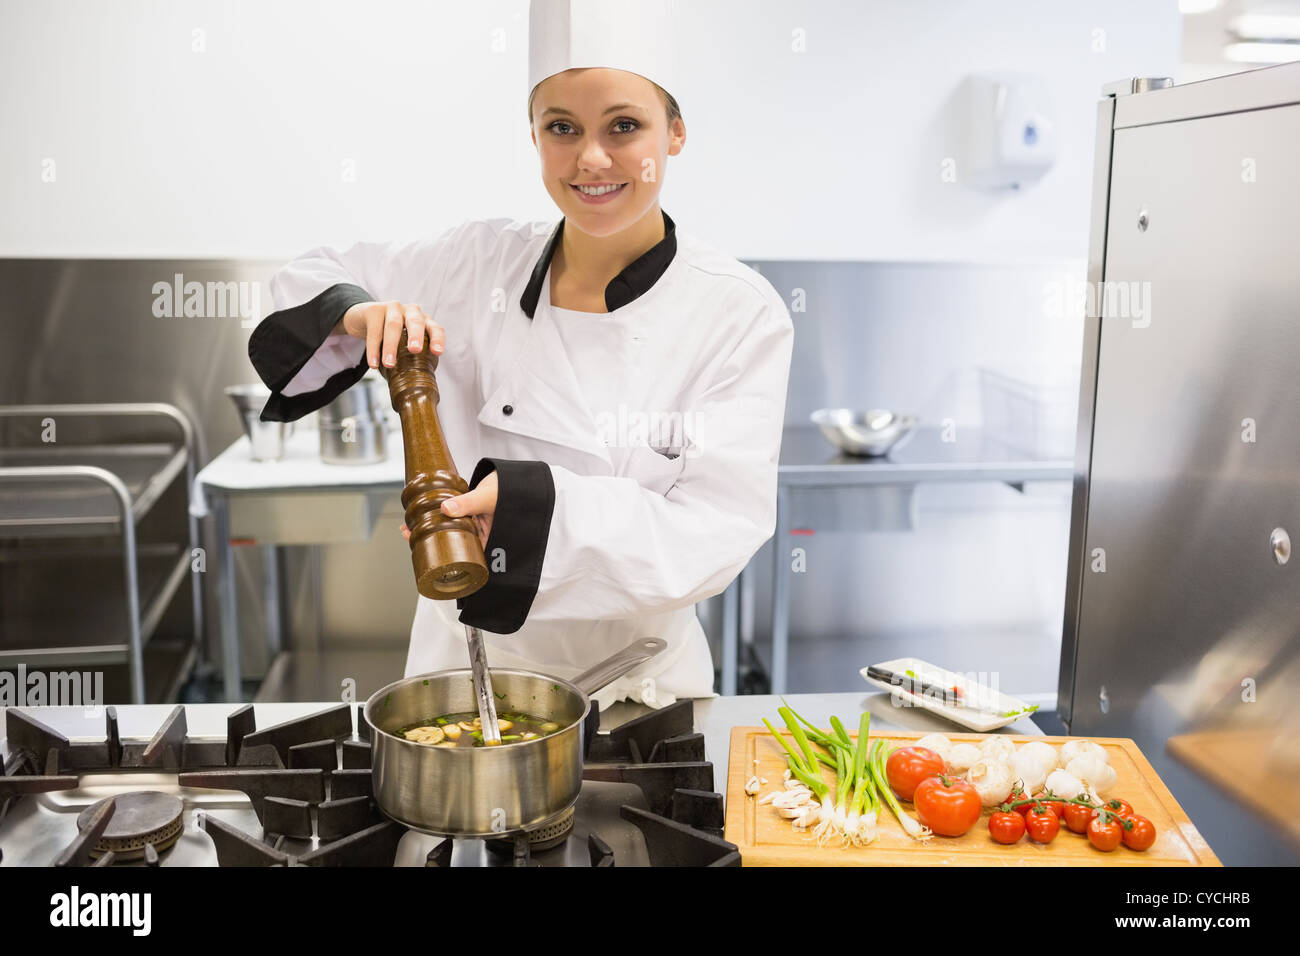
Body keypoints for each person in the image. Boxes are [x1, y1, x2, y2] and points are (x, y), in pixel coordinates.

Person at [248, 0, 793, 709]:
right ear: (534, 136)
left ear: (676, 132)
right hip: (464, 675)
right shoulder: (473, 264)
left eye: (624, 126)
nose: (591, 158)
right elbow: (305, 277)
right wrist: (358, 312)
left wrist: (532, 513)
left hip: (639, 688)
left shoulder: (737, 312)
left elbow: (715, 533)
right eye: (561, 128)